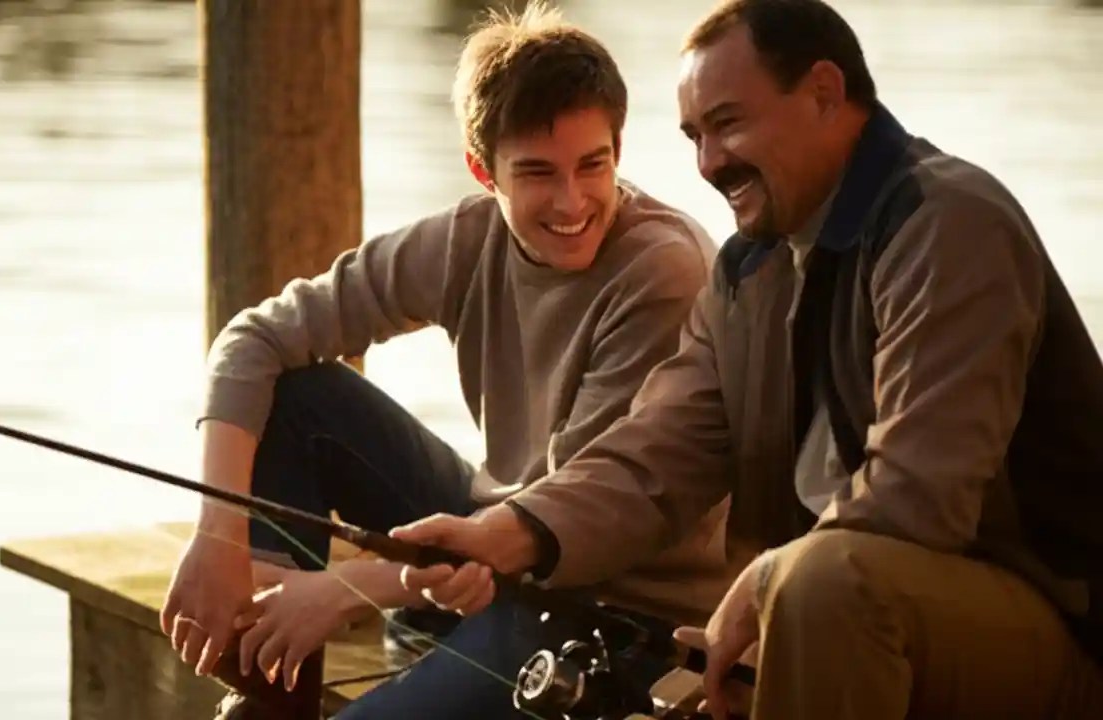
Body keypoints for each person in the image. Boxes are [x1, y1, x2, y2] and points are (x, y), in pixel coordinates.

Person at [397, 1, 1103, 718]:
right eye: (694, 136)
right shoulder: (747, 271)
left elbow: (922, 493)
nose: (708, 164)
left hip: (1054, 647)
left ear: (825, 93)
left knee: (822, 581)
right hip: (839, 630)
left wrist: (767, 588)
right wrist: (511, 532)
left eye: (729, 124)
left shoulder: (948, 223)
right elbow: (655, 458)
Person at [159, 2, 720, 717]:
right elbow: (253, 338)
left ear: (619, 150)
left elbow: (575, 515)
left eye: (594, 165)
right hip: (496, 540)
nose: (572, 201)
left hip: (605, 609)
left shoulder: (662, 271)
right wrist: (218, 536)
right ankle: (270, 694)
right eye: (538, 173)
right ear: (483, 171)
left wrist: (345, 590)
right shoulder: (465, 240)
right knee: (298, 396)